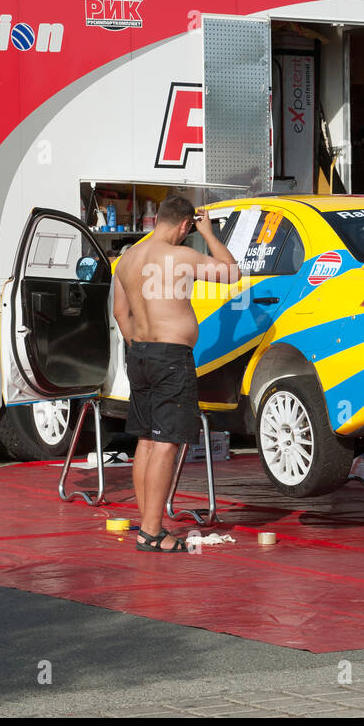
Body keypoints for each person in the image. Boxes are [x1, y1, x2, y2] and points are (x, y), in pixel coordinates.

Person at [112, 195, 240, 553]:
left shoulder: (128, 260)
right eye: (190, 230)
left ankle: (148, 523)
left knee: (146, 441)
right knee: (166, 442)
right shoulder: (181, 256)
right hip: (170, 357)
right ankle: (151, 533)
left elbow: (120, 313)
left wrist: (140, 345)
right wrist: (210, 234)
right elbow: (231, 272)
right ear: (185, 225)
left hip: (139, 354)